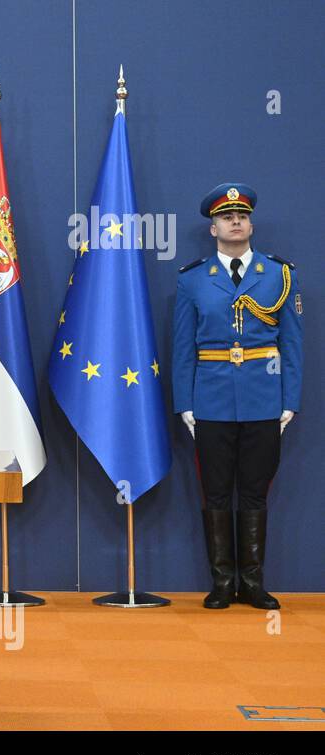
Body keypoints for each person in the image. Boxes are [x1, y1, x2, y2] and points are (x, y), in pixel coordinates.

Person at [173, 184, 302, 610]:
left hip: (264, 399)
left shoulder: (279, 275)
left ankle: (252, 582)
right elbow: (183, 346)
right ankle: (222, 583)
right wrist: (185, 404)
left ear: (251, 224)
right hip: (210, 400)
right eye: (226, 217)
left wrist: (289, 400)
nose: (235, 222)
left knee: (253, 492)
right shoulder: (193, 280)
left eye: (241, 216)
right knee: (214, 492)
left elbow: (291, 344)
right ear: (213, 229)